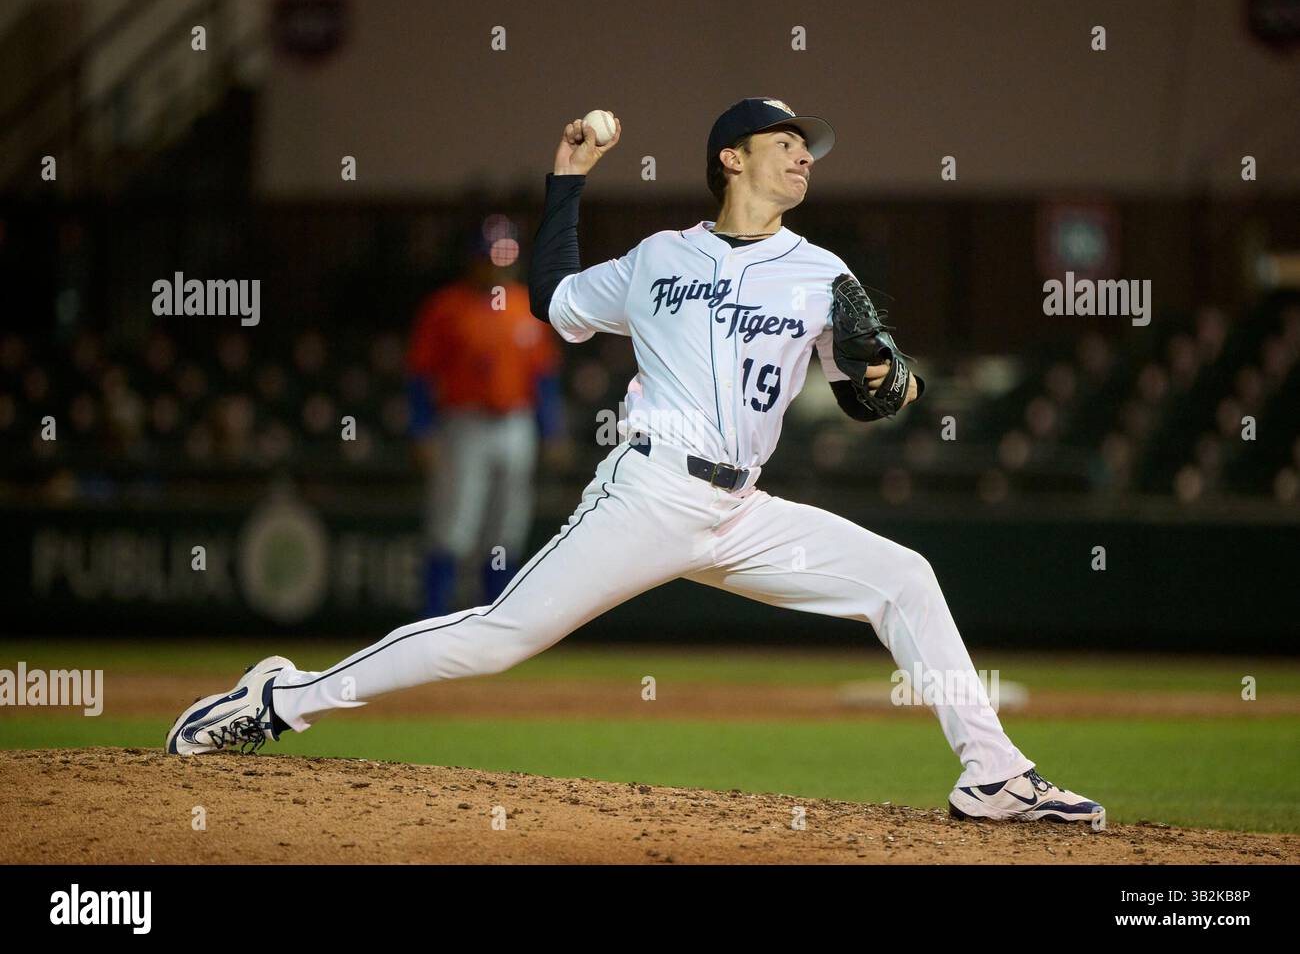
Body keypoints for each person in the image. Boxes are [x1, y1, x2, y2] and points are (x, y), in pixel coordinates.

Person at [166, 98, 1105, 830]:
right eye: (784, 140)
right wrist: (567, 179)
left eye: (806, 144)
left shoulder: (823, 272)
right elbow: (552, 300)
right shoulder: (660, 257)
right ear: (731, 159)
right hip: (649, 489)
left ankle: (994, 776)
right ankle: (281, 699)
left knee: (905, 577)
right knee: (502, 637)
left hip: (743, 510)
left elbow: (879, 398)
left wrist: (884, 373)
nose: (803, 153)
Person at [406, 226, 565, 615]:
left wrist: (552, 429)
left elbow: (543, 377)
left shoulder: (526, 304)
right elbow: (419, 375)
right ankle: (431, 620)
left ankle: (496, 620)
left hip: (516, 423)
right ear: (474, 260)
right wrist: (421, 429)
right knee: (453, 525)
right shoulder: (446, 306)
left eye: (505, 257)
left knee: (506, 528)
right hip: (464, 424)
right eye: (491, 257)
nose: (498, 266)